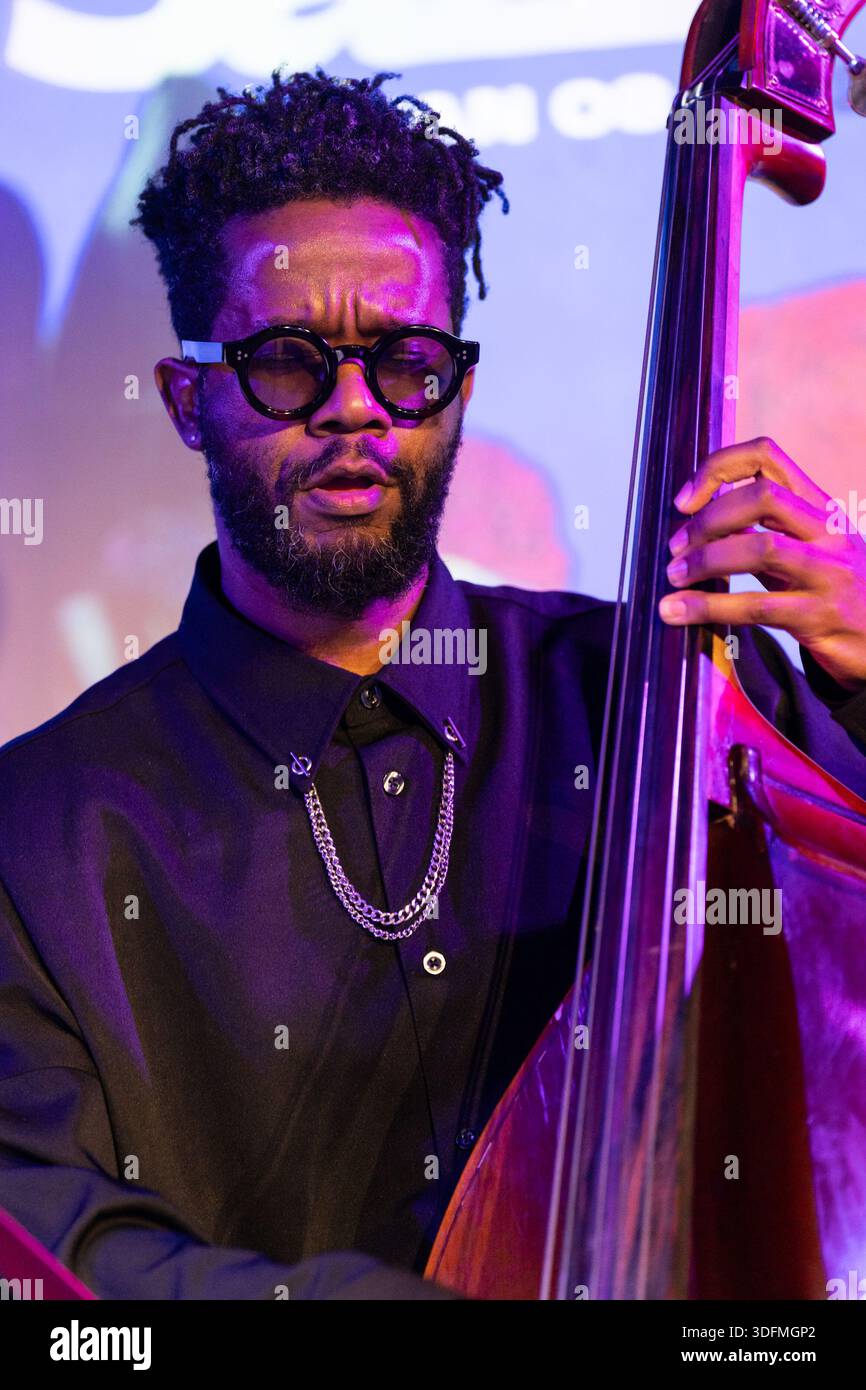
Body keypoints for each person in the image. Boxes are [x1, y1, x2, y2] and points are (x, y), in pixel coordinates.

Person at [2, 68, 866, 1302]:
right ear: (188, 400)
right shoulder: (37, 834)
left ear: (457, 386)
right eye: (290, 364)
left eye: (405, 361)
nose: (356, 411)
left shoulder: (670, 705)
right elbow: (52, 1272)